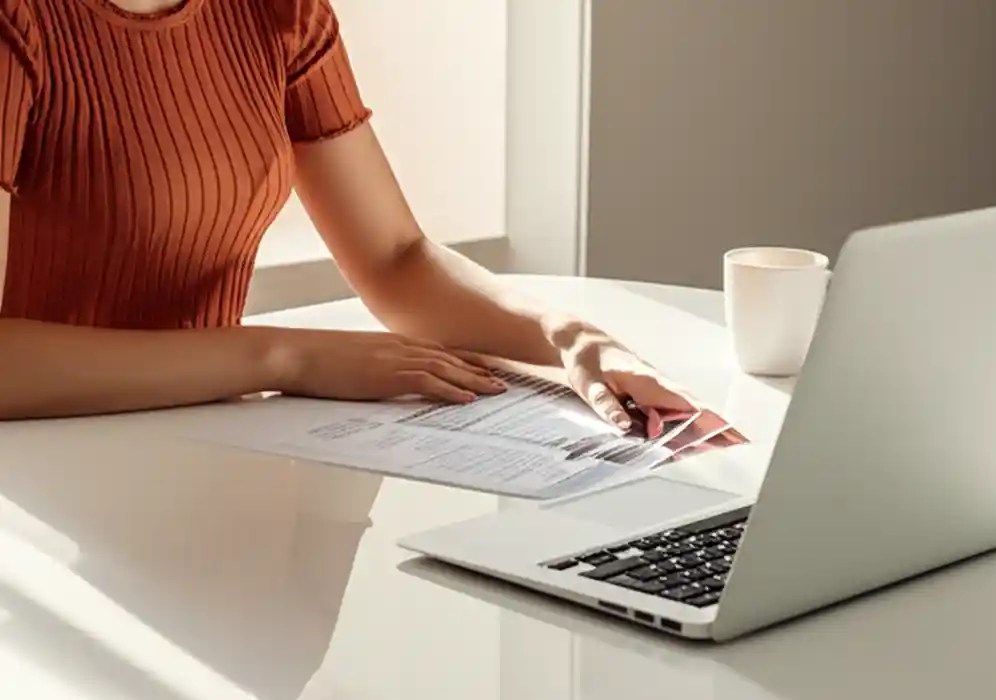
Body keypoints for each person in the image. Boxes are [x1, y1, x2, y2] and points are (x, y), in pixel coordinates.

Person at [0, 0, 693, 428]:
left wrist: (564, 335)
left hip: (211, 443)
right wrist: (282, 357)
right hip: (39, 478)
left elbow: (395, 257)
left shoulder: (276, 10)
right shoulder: (18, 21)